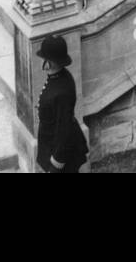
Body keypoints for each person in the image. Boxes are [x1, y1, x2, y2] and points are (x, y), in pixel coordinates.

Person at [34, 35, 88, 173]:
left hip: (60, 152)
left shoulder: (61, 92)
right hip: (52, 145)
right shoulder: (61, 76)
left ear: (50, 62)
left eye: (46, 59)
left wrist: (56, 162)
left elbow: (64, 130)